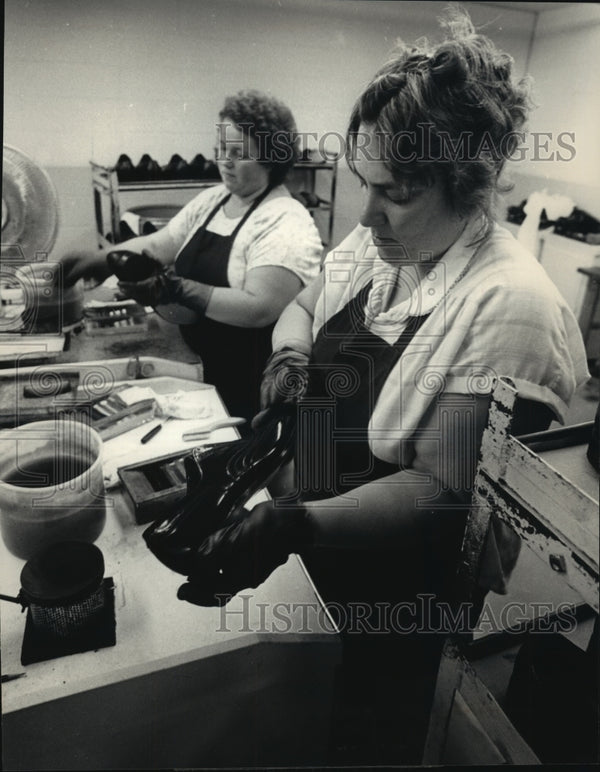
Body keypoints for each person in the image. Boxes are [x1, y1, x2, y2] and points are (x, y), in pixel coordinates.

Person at [167, 8, 590, 763]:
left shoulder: (507, 304)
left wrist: (298, 523)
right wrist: (289, 358)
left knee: (367, 729)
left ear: (469, 183)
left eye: (392, 192)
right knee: (288, 708)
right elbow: (300, 303)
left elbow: (442, 488)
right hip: (313, 523)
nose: (364, 215)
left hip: (398, 585)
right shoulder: (380, 241)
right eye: (365, 183)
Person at [60, 90, 323, 420]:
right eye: (221, 148)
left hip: (246, 384)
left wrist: (179, 289)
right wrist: (99, 258)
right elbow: (160, 243)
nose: (224, 161)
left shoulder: (286, 220)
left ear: (271, 158)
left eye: (238, 153)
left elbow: (259, 307)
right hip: (195, 362)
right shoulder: (216, 199)